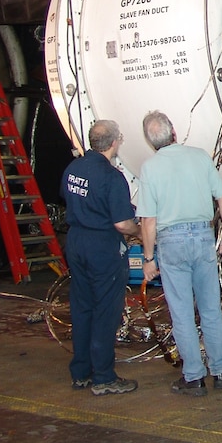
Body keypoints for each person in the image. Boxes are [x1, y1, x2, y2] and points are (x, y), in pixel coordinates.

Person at [137, 110, 222, 397]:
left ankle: (193, 377)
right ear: (174, 133)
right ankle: (220, 370)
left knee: (181, 312)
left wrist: (148, 258)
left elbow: (149, 221)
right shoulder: (200, 156)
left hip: (172, 242)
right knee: (210, 310)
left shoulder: (150, 168)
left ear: (151, 142)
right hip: (203, 237)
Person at [61, 119, 139, 396]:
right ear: (115, 142)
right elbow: (122, 224)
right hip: (102, 245)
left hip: (76, 241)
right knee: (106, 310)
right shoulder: (111, 177)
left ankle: (81, 371)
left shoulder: (74, 169)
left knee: (82, 307)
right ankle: (104, 376)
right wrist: (141, 232)